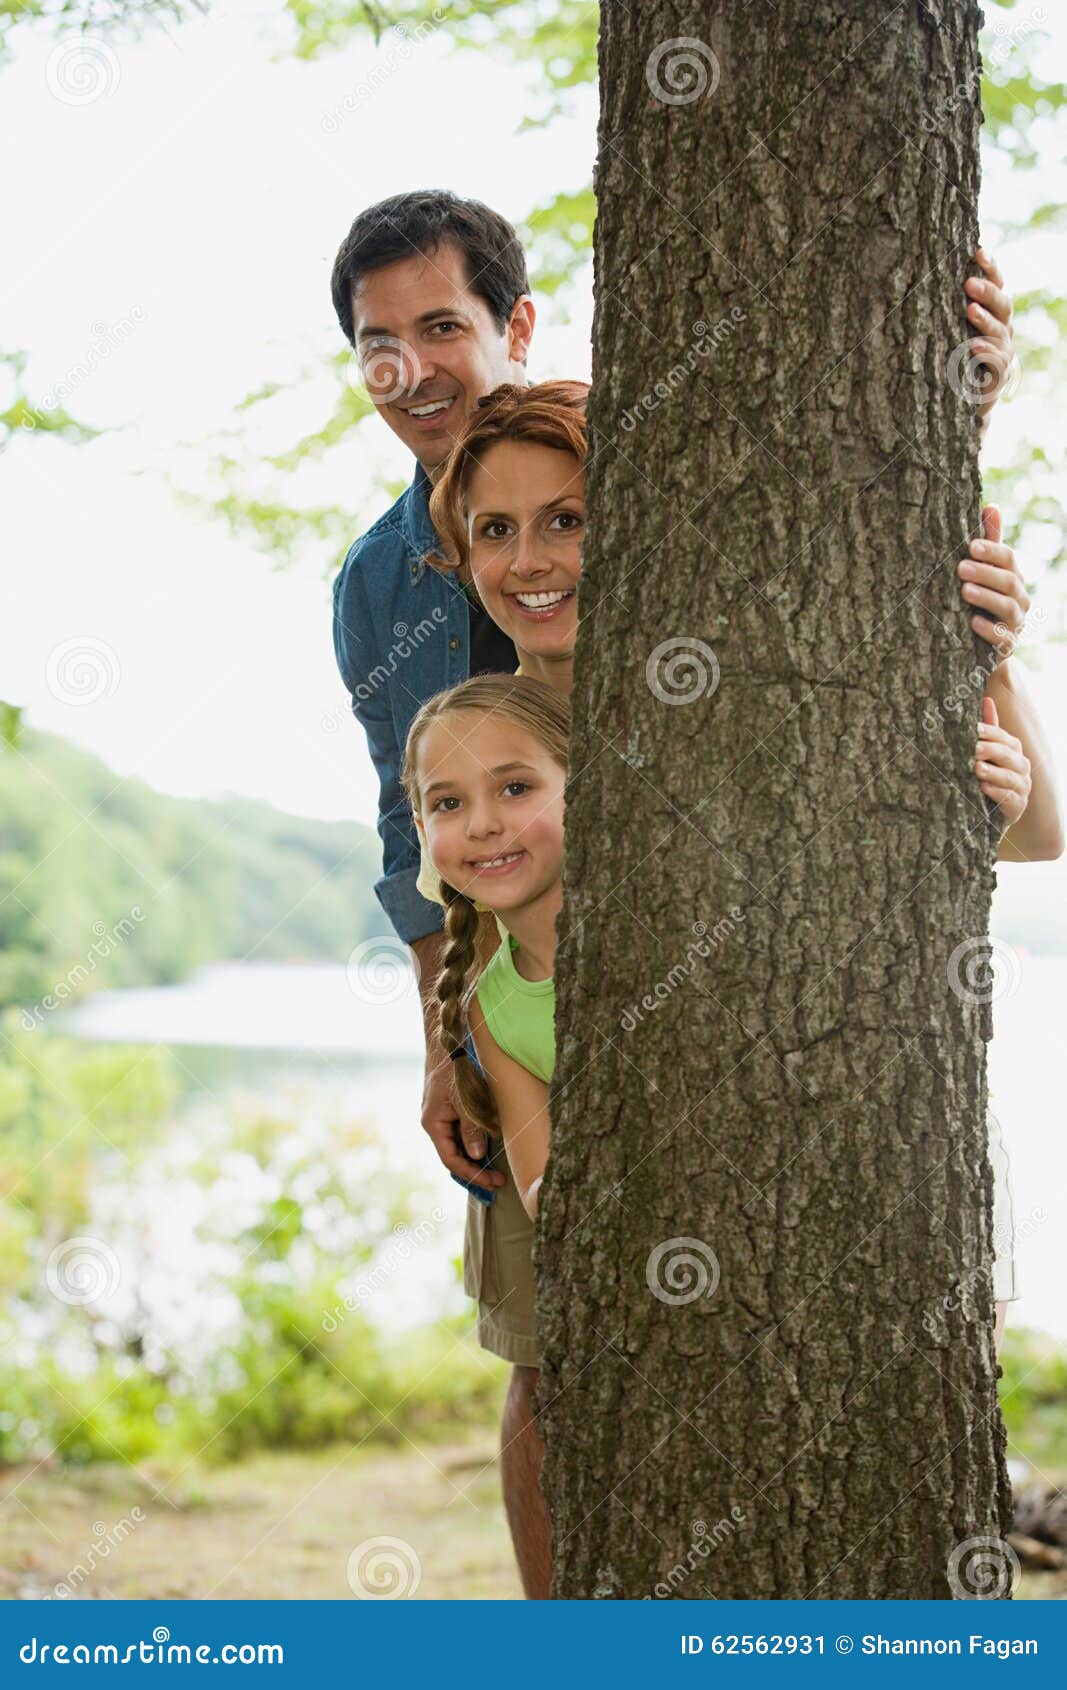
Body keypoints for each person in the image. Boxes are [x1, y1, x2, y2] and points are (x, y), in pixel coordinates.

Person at [329, 187, 1021, 1594]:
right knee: (550, 1353)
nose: (410, 368)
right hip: (524, 1018)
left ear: (514, 324)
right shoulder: (380, 585)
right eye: (375, 343)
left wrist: (953, 415)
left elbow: (842, 560)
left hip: (732, 1013)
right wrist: (443, 1040)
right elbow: (413, 841)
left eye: (441, 326)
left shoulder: (652, 473)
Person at [415, 379, 1064, 1359]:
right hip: (607, 1165)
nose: (530, 559)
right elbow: (487, 946)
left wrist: (990, 657)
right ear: (463, 555)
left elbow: (1024, 833)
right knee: (561, 1380)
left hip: (836, 1146)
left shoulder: (725, 670)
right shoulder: (478, 739)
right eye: (494, 530)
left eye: (567, 519)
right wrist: (447, 1054)